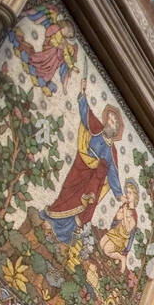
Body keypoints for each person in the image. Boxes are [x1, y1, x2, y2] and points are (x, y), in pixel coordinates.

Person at [40, 74, 125, 244]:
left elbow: (113, 173)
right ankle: (51, 219)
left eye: (113, 123)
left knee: (80, 207)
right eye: (109, 120)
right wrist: (82, 93)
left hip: (92, 182)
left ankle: (62, 234)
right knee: (66, 194)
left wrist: (119, 195)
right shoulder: (97, 129)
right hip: (80, 168)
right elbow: (87, 115)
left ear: (116, 131)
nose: (110, 123)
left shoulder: (112, 151)